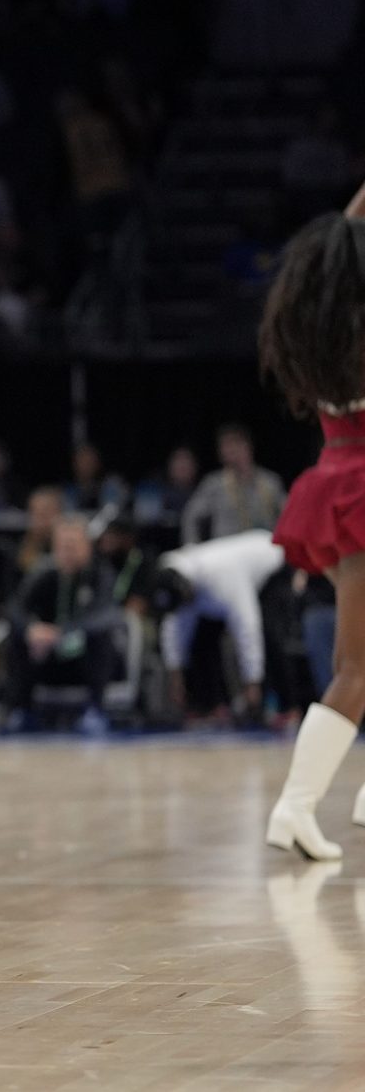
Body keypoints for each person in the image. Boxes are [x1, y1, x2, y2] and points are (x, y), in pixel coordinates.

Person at [261, 192, 365, 859]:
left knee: (358, 661)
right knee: (355, 669)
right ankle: (295, 809)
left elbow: (348, 231)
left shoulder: (326, 331)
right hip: (360, 492)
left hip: (335, 480)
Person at [154, 529, 287, 728]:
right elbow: (174, 629)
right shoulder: (173, 579)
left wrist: (252, 682)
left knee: (270, 632)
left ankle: (286, 706)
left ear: (187, 588)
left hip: (274, 561)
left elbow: (248, 628)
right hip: (225, 579)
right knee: (203, 639)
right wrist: (176, 679)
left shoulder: (222, 579)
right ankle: (212, 705)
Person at [5, 517, 123, 735]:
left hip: (82, 659)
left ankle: (95, 709)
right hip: (47, 657)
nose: (67, 552)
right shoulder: (43, 573)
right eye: (62, 546)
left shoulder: (100, 574)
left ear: (86, 547)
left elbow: (107, 615)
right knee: (16, 635)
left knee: (102, 638)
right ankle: (22, 709)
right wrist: (32, 629)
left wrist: (62, 633)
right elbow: (15, 608)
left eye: (73, 545)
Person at [183, 424, 287, 545]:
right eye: (225, 446)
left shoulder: (270, 482)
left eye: (234, 444)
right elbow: (191, 516)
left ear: (247, 446)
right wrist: (191, 545)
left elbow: (288, 514)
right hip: (226, 550)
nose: (229, 450)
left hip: (263, 549)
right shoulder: (214, 484)